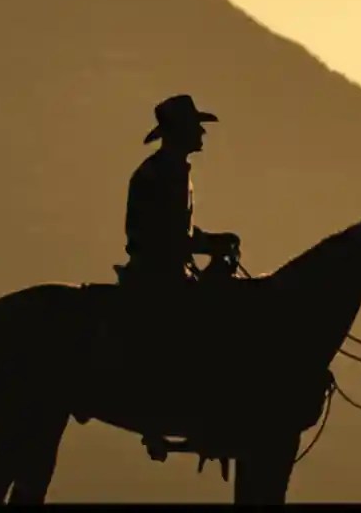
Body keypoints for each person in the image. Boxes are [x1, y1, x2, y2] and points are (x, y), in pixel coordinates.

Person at [118, 93, 242, 461]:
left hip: (165, 268)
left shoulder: (169, 170)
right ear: (181, 133)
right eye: (195, 127)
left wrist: (211, 242)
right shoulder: (160, 174)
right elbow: (166, 236)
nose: (202, 132)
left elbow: (178, 231)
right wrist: (208, 245)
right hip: (156, 275)